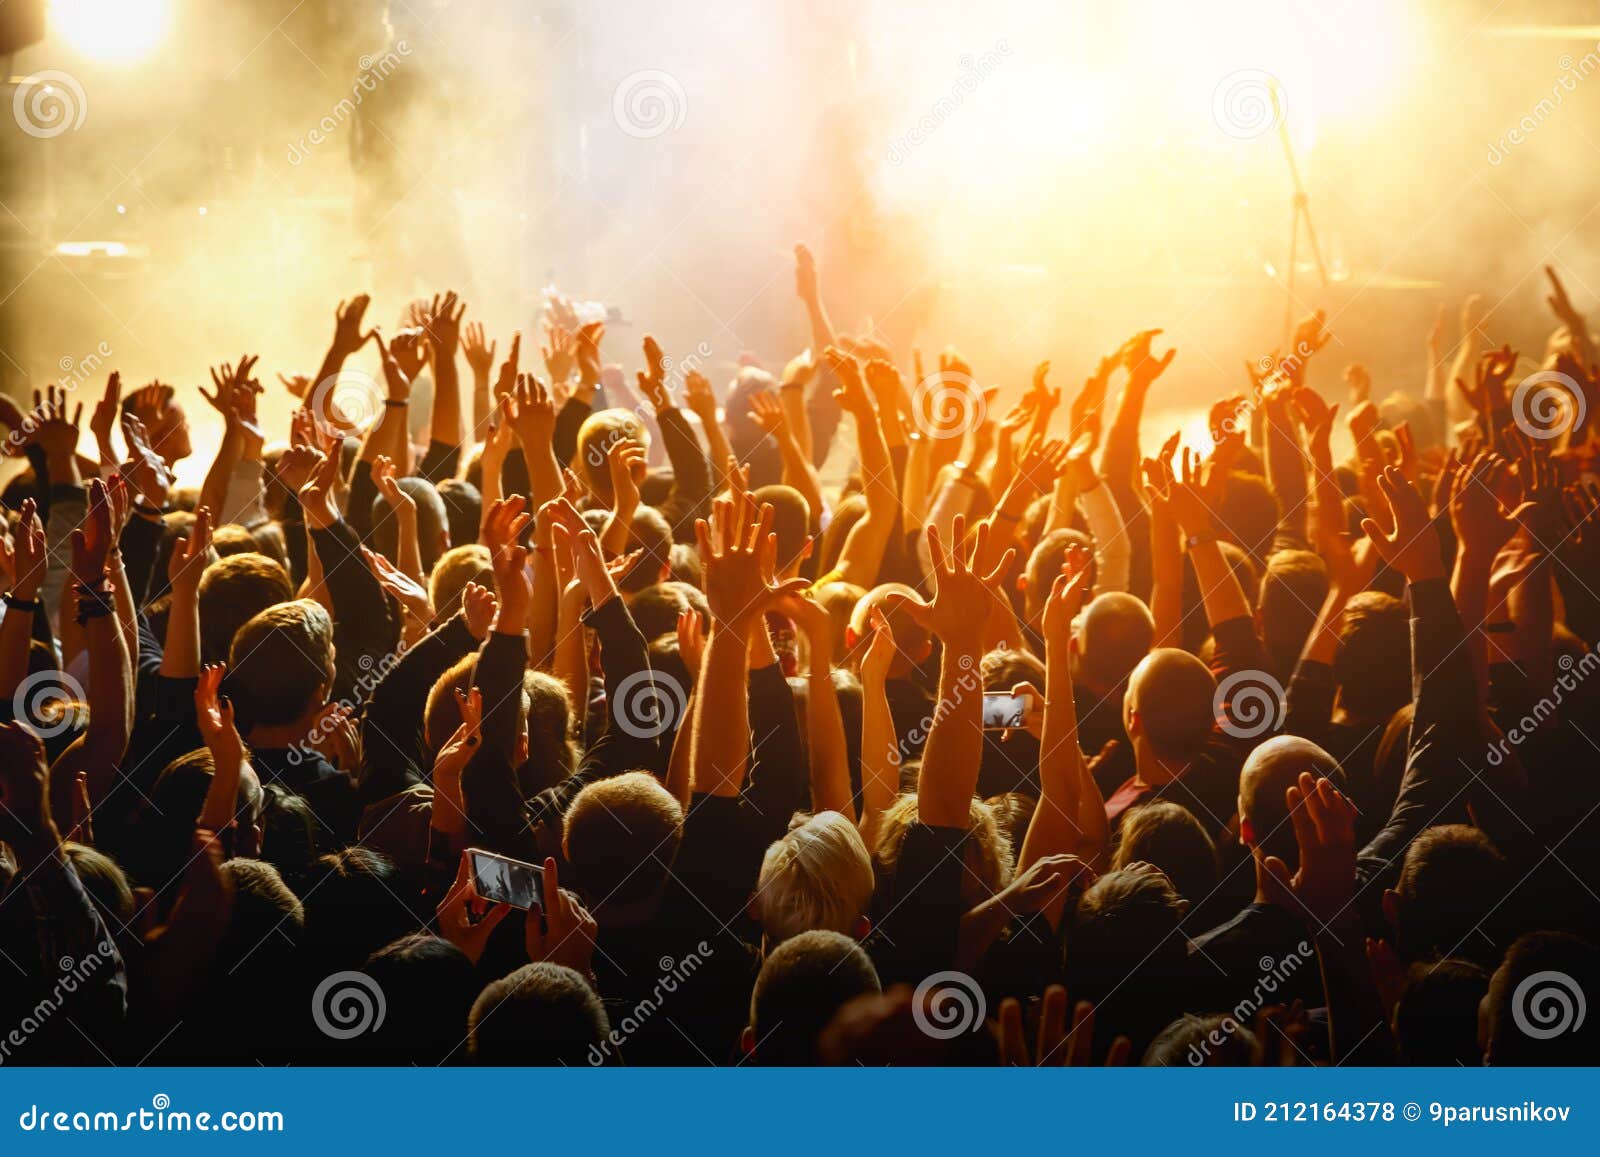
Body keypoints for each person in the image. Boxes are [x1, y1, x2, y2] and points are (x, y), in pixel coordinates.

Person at [0, 252, 1594, 1073]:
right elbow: (870, 792)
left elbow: (842, 795)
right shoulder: (963, 901)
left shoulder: (301, 896)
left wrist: (575, 625)